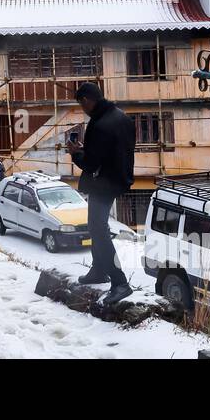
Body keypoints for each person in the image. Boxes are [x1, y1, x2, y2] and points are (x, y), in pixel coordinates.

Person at [67, 82, 135, 305]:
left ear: (87, 100)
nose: (83, 109)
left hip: (102, 184)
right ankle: (98, 270)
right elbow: (110, 152)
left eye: (81, 105)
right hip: (117, 179)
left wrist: (76, 154)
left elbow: (91, 163)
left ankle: (120, 282)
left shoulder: (100, 124)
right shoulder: (120, 116)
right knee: (97, 227)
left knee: (98, 229)